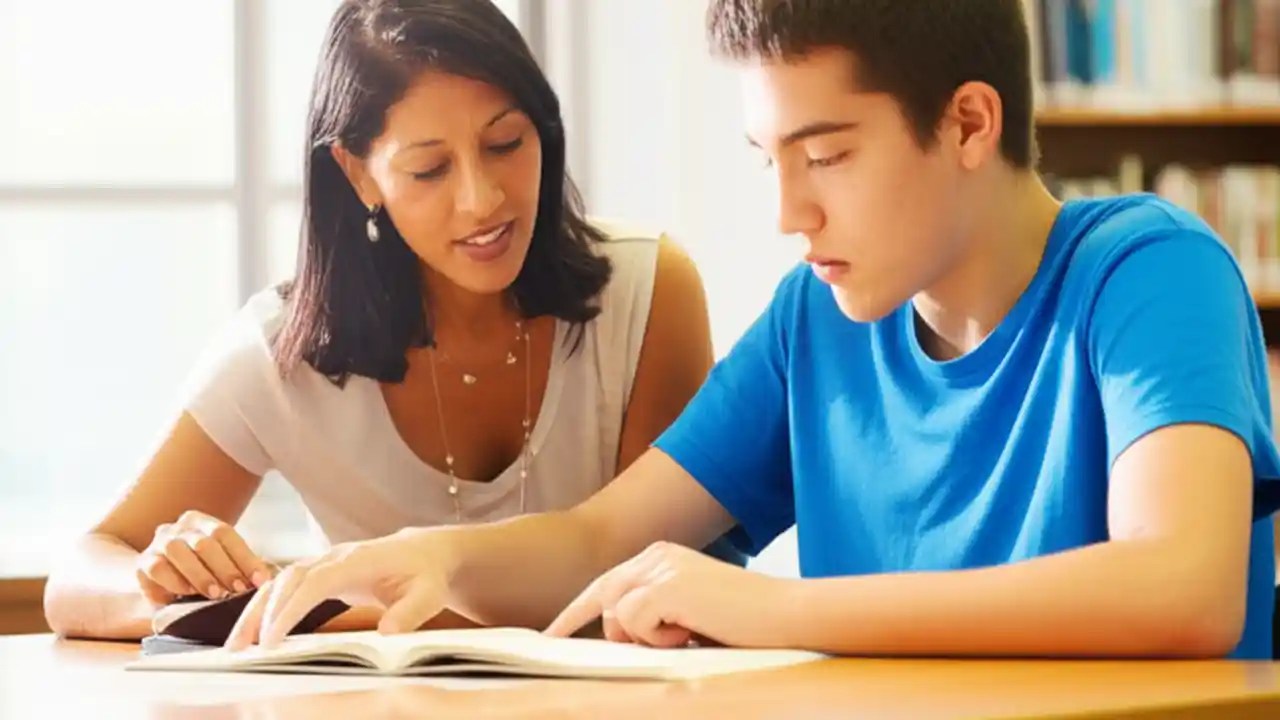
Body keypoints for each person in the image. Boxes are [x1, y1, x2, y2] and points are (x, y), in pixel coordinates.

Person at [225, 0, 1280, 660]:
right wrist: (434, 560)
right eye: (764, 159)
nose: (788, 213)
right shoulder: (814, 321)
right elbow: (605, 537)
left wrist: (768, 608)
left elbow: (1177, 589)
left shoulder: (1147, 269)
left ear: (967, 122)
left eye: (823, 157)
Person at [42, 0, 739, 640]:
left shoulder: (648, 291)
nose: (482, 200)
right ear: (359, 174)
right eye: (430, 170)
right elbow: (79, 576)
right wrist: (178, 595)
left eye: (506, 144)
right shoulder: (285, 353)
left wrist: (365, 607)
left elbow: (652, 574)